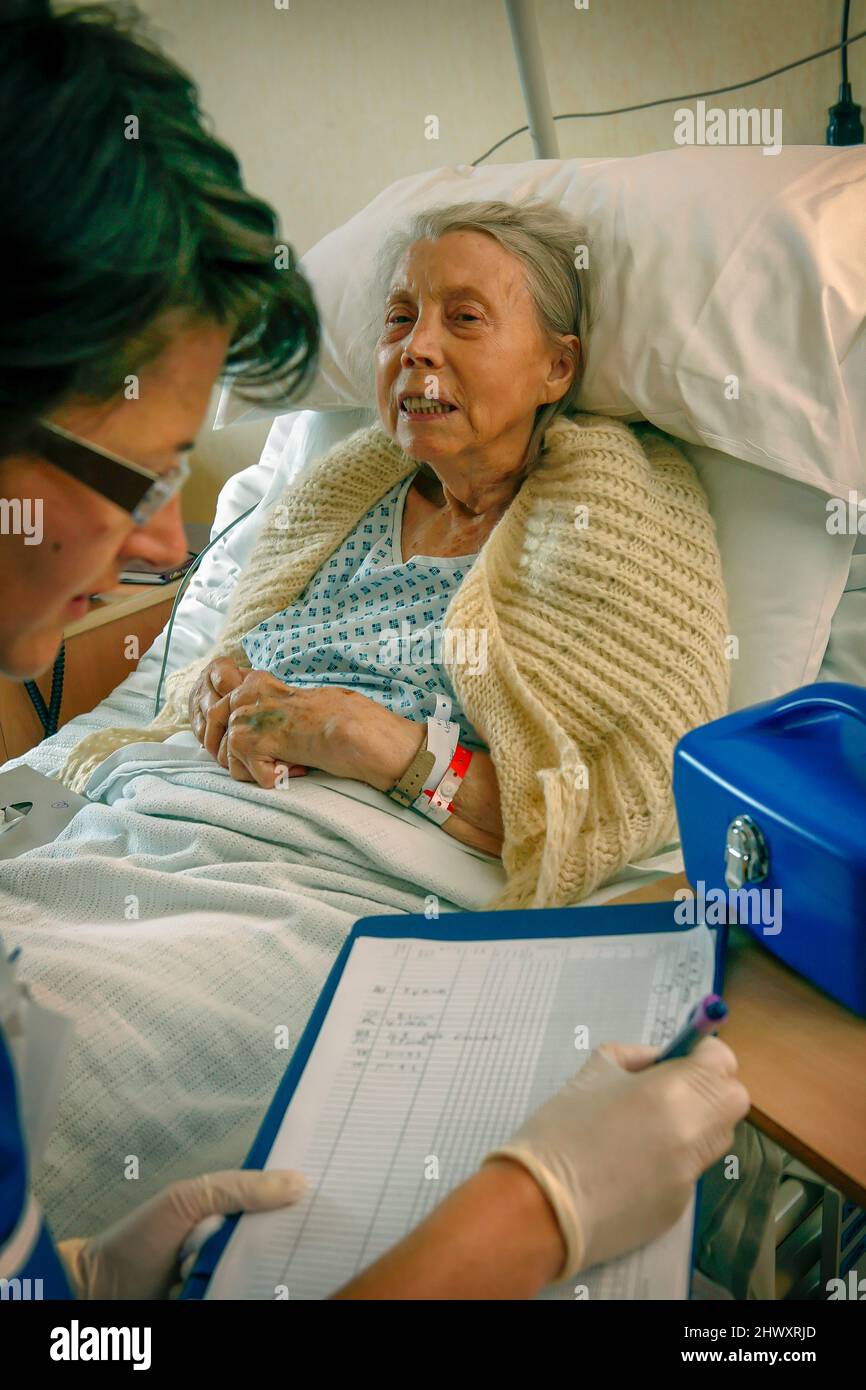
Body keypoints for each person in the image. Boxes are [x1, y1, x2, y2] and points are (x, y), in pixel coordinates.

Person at [0, 3, 749, 1301]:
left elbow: (623, 805)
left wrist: (394, 751)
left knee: (75, 1010)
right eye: (400, 317)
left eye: (466, 318)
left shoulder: (623, 508)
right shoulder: (333, 486)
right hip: (177, 823)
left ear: (559, 360)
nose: (412, 350)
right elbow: (207, 659)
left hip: (368, 887)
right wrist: (228, 695)